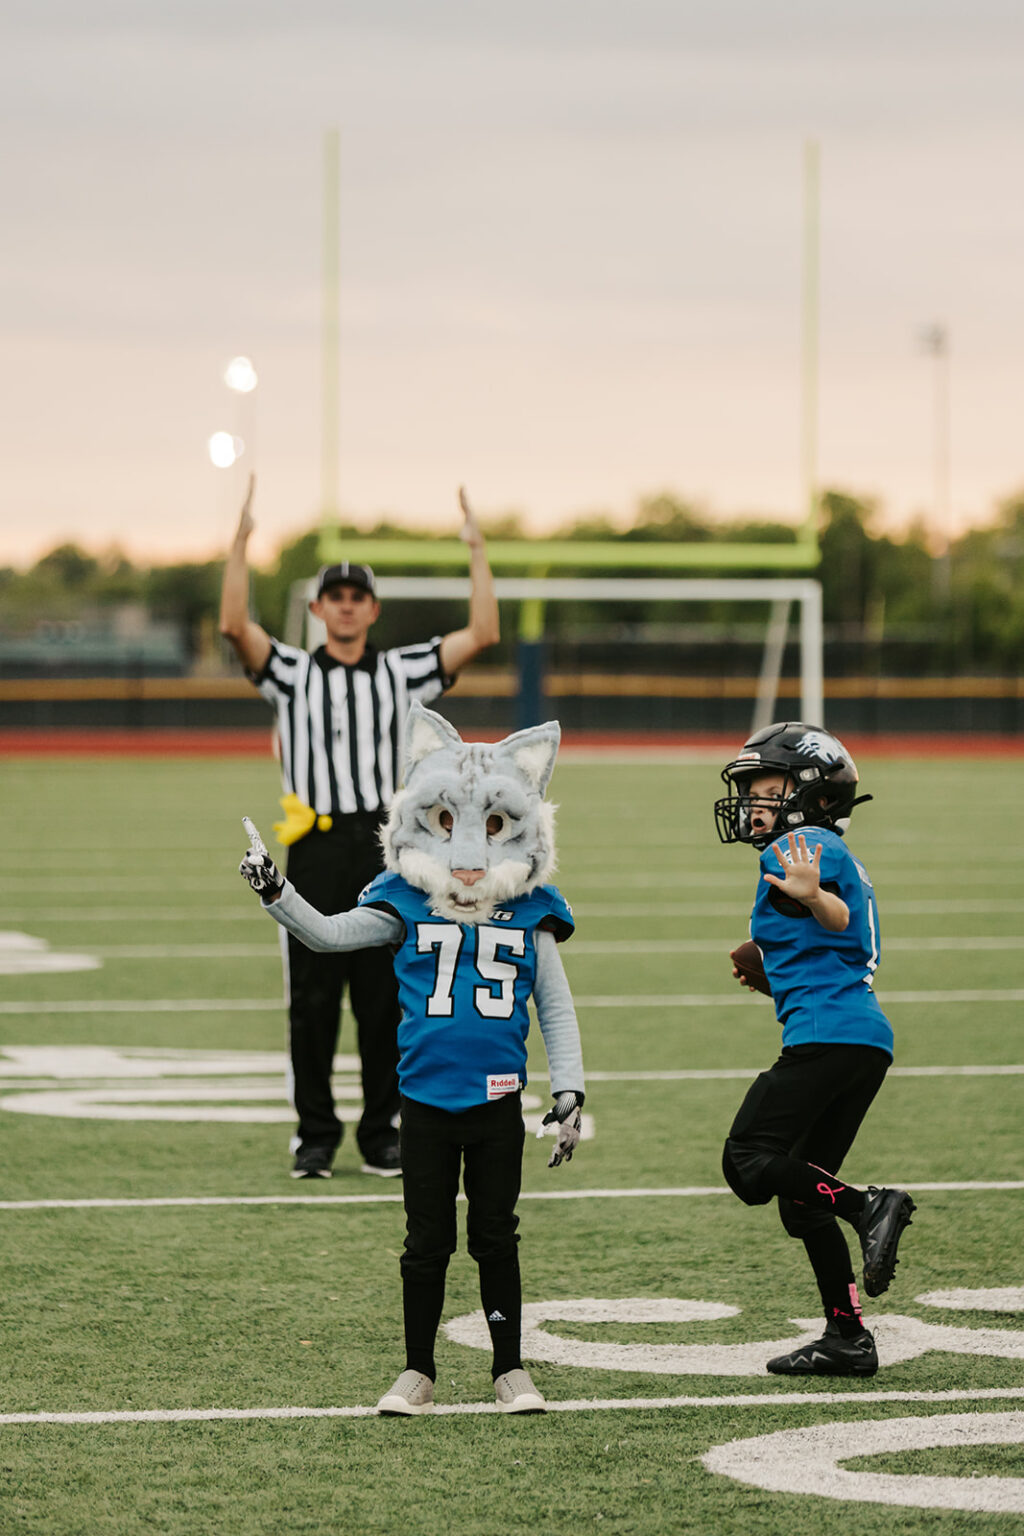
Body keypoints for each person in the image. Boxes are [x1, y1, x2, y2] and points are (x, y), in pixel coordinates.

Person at [237, 701, 586, 1415]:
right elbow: (331, 936)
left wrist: (571, 1089)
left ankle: (509, 1370)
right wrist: (278, 893)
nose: (469, 848)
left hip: (497, 1105)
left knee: (495, 1238)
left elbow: (555, 1003)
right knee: (425, 1244)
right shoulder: (405, 900)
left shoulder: (530, 906)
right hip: (423, 1102)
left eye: (493, 826)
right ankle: (418, 1371)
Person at [219, 477, 500, 1179]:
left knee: (384, 996)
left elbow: (484, 633)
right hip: (311, 842)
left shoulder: (403, 671)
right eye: (333, 597)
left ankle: (382, 1132)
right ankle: (315, 1134)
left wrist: (476, 547)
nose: (345, 607)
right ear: (317, 609)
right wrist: (241, 541)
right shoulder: (289, 671)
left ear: (371, 609)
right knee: (312, 996)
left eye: (356, 597)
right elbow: (234, 627)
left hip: (386, 844)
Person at [713, 721, 916, 1378]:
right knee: (802, 1201)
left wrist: (813, 897)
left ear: (808, 791)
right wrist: (773, 974)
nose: (751, 803)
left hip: (830, 1038)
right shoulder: (825, 848)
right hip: (857, 1037)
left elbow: (837, 918)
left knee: (747, 1159)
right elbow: (833, 950)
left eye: (763, 787)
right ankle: (847, 1335)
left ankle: (868, 1206)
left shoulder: (799, 847)